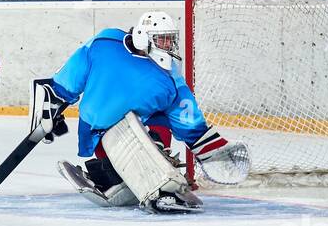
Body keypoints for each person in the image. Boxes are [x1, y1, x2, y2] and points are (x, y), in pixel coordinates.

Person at [30, 11, 249, 213]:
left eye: (170, 39)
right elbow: (73, 73)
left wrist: (212, 147)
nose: (169, 44)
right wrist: (54, 99)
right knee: (115, 174)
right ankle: (114, 175)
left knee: (159, 115)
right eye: (162, 39)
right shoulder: (105, 43)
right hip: (100, 130)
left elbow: (185, 114)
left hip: (140, 129)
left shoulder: (169, 74)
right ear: (144, 38)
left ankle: (156, 158)